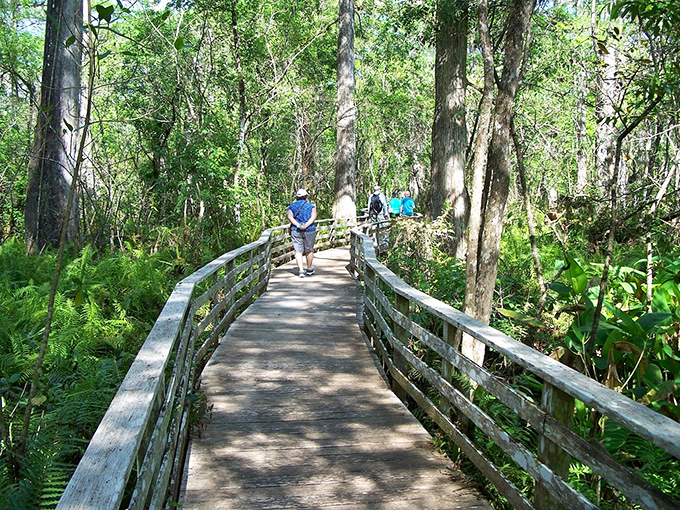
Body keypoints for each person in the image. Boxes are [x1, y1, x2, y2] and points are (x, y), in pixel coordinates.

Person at [287, 188, 317, 278]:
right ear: (306, 196)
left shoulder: (291, 206)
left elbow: (290, 217)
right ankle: (309, 269)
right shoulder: (311, 206)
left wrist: (298, 225)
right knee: (309, 250)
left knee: (298, 251)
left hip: (296, 230)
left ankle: (301, 271)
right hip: (309, 230)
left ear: (297, 197)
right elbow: (313, 217)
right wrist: (306, 225)